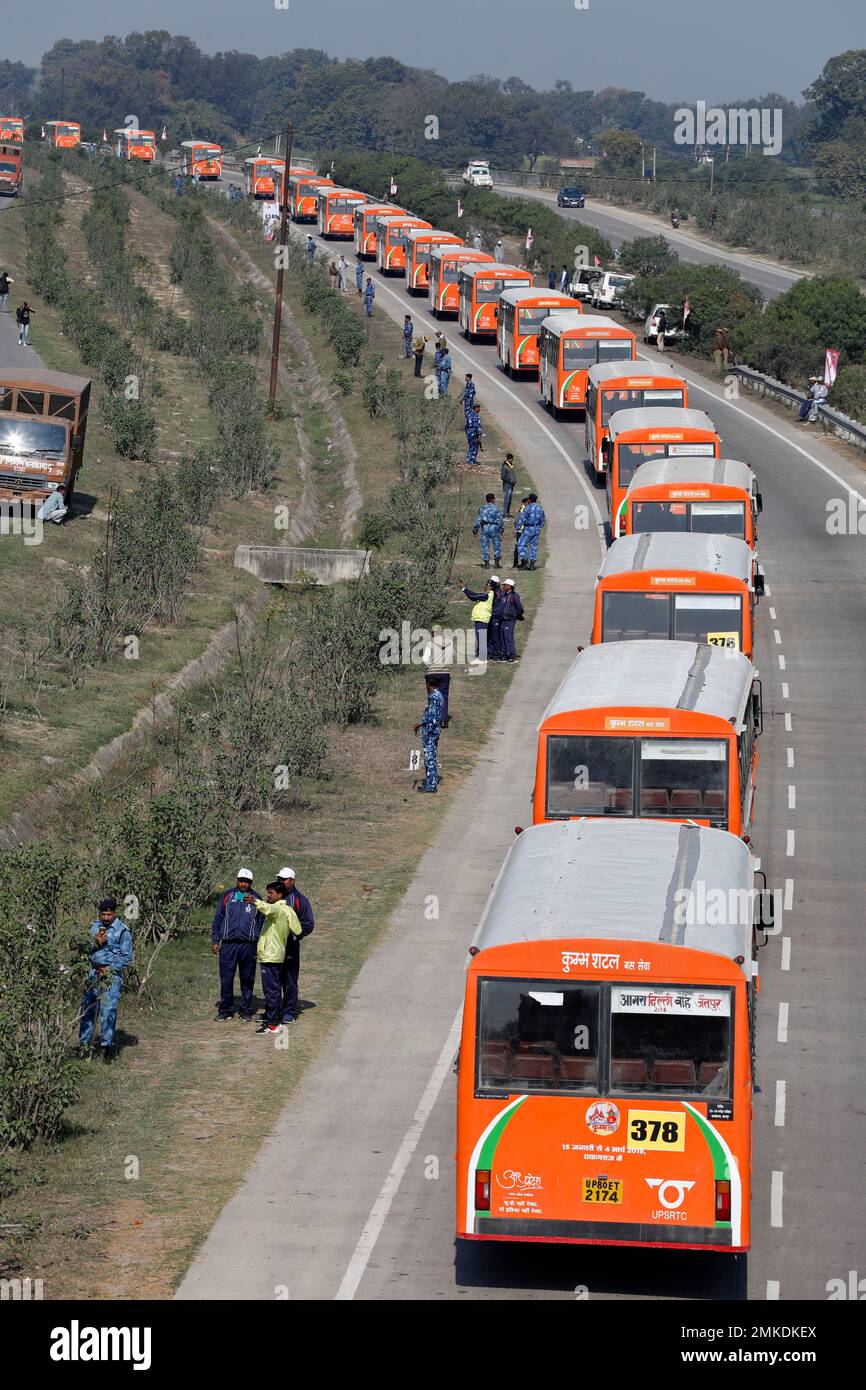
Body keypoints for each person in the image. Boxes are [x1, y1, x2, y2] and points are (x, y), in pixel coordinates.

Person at [78, 898, 134, 1063]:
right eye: (104, 914)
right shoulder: (94, 927)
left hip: (111, 975)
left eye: (109, 914)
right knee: (88, 1009)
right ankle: (84, 1046)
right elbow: (84, 948)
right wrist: (95, 943)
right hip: (93, 973)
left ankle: (106, 1047)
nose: (106, 917)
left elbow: (127, 958)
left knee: (108, 1010)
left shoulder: (123, 931)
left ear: (115, 913)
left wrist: (109, 969)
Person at [245, 882, 301, 1035]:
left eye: (271, 893)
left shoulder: (278, 909)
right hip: (277, 955)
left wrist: (255, 902)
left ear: (279, 895)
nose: (268, 896)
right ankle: (272, 1020)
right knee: (274, 989)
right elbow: (298, 929)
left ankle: (273, 1024)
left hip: (270, 956)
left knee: (271, 991)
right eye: (268, 893)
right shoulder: (288, 910)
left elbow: (268, 908)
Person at [211, 868, 263, 1021]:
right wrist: (215, 940)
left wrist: (258, 943)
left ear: (251, 883)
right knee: (226, 978)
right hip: (228, 945)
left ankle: (246, 1010)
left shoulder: (256, 898)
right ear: (237, 880)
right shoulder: (228, 896)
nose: (243, 883)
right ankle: (225, 1010)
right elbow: (218, 919)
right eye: (241, 880)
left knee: (247, 978)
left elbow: (261, 923)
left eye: (246, 881)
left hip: (248, 946)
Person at [276, 867, 315, 1024]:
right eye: (279, 878)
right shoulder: (274, 897)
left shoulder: (300, 900)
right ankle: (273, 1010)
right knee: (273, 979)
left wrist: (296, 935)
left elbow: (309, 923)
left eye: (284, 879)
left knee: (289, 979)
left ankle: (289, 1012)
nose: (281, 882)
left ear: (292, 881)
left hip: (290, 946)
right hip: (274, 946)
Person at [414, 677, 446, 793]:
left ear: (428, 684)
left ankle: (431, 786)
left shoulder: (433, 697)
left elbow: (431, 717)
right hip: (435, 730)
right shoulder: (440, 696)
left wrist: (423, 726)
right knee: (431, 757)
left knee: (429, 758)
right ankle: (430, 781)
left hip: (430, 731)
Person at [422, 626, 454, 726]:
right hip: (445, 673)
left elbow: (425, 659)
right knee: (444, 696)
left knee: (432, 696)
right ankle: (443, 720)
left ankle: (432, 719)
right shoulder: (449, 643)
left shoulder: (430, 643)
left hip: (432, 672)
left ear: (433, 633)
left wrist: (428, 667)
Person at [461, 578, 495, 662]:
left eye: (487, 585)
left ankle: (482, 658)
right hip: (480, 619)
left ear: (491, 587)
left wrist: (464, 589)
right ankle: (481, 656)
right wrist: (463, 589)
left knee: (481, 638)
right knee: (480, 638)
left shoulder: (487, 595)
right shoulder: (486, 595)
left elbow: (474, 595)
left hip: (482, 619)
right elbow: (473, 598)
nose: (485, 586)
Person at [515, 493, 546, 570]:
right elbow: (542, 521)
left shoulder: (527, 508)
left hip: (528, 528)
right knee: (533, 546)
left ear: (529, 500)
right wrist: (539, 528)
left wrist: (517, 528)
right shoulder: (540, 508)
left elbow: (522, 519)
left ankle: (525, 560)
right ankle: (532, 563)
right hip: (536, 528)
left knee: (520, 544)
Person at [473, 492, 503, 566]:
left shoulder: (482, 508)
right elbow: (500, 520)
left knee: (485, 545)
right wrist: (502, 529)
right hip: (494, 527)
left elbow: (478, 519)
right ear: (493, 500)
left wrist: (476, 529)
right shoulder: (496, 508)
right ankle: (497, 563)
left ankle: (486, 563)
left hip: (485, 527)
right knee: (496, 544)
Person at [499, 577, 525, 662]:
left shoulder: (514, 596)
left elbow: (520, 608)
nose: (503, 586)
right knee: (502, 636)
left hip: (510, 620)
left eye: (505, 585)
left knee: (508, 637)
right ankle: (504, 654)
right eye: (503, 585)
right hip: (503, 620)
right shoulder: (503, 595)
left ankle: (511, 655)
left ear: (510, 586)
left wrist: (516, 616)